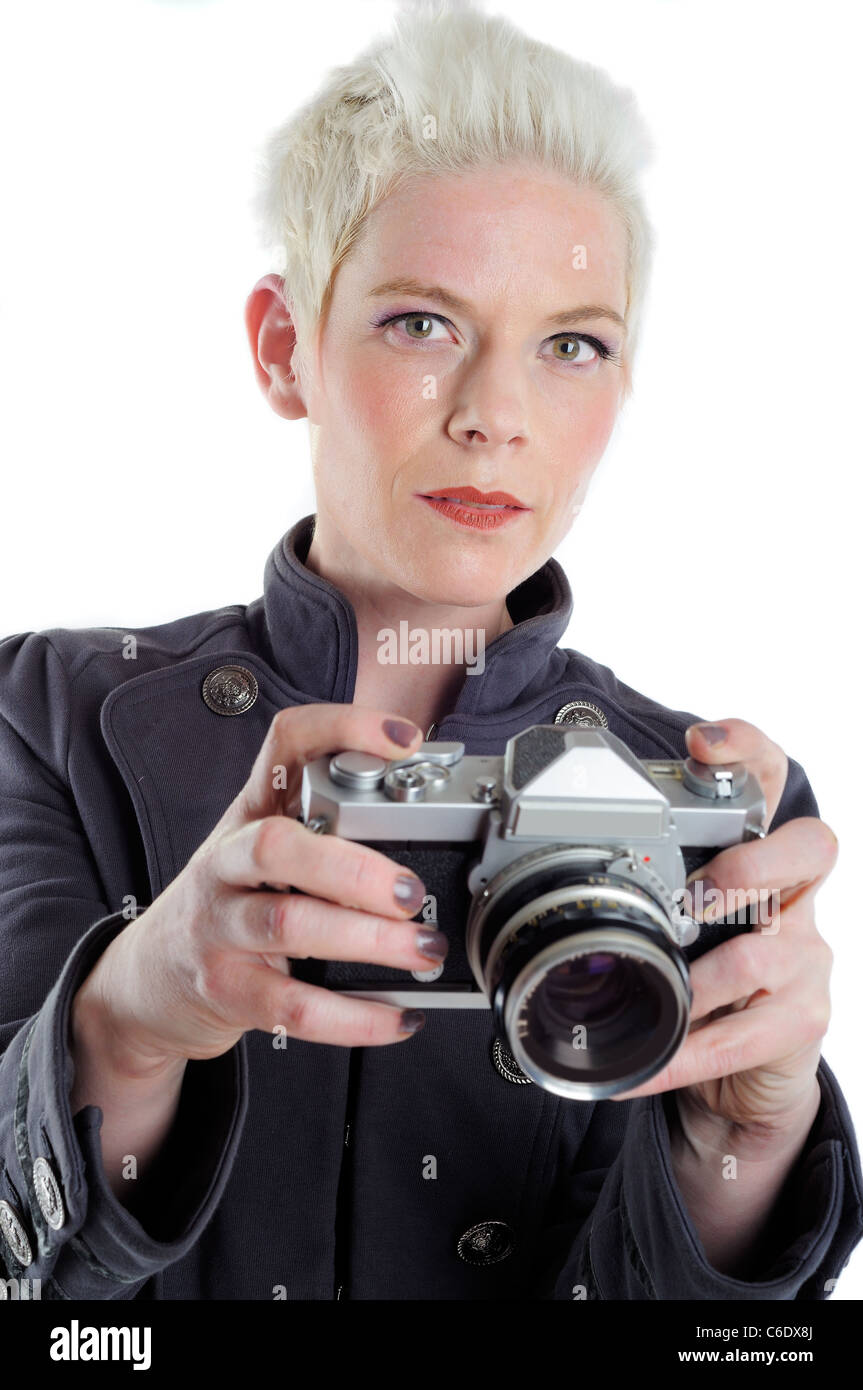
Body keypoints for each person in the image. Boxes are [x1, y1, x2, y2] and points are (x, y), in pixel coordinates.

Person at [0, 1, 860, 1302]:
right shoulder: (50, 717)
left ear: (623, 386)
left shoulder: (707, 809)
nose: (496, 416)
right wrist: (130, 1016)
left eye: (572, 343)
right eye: (422, 323)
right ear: (285, 344)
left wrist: (744, 1143)